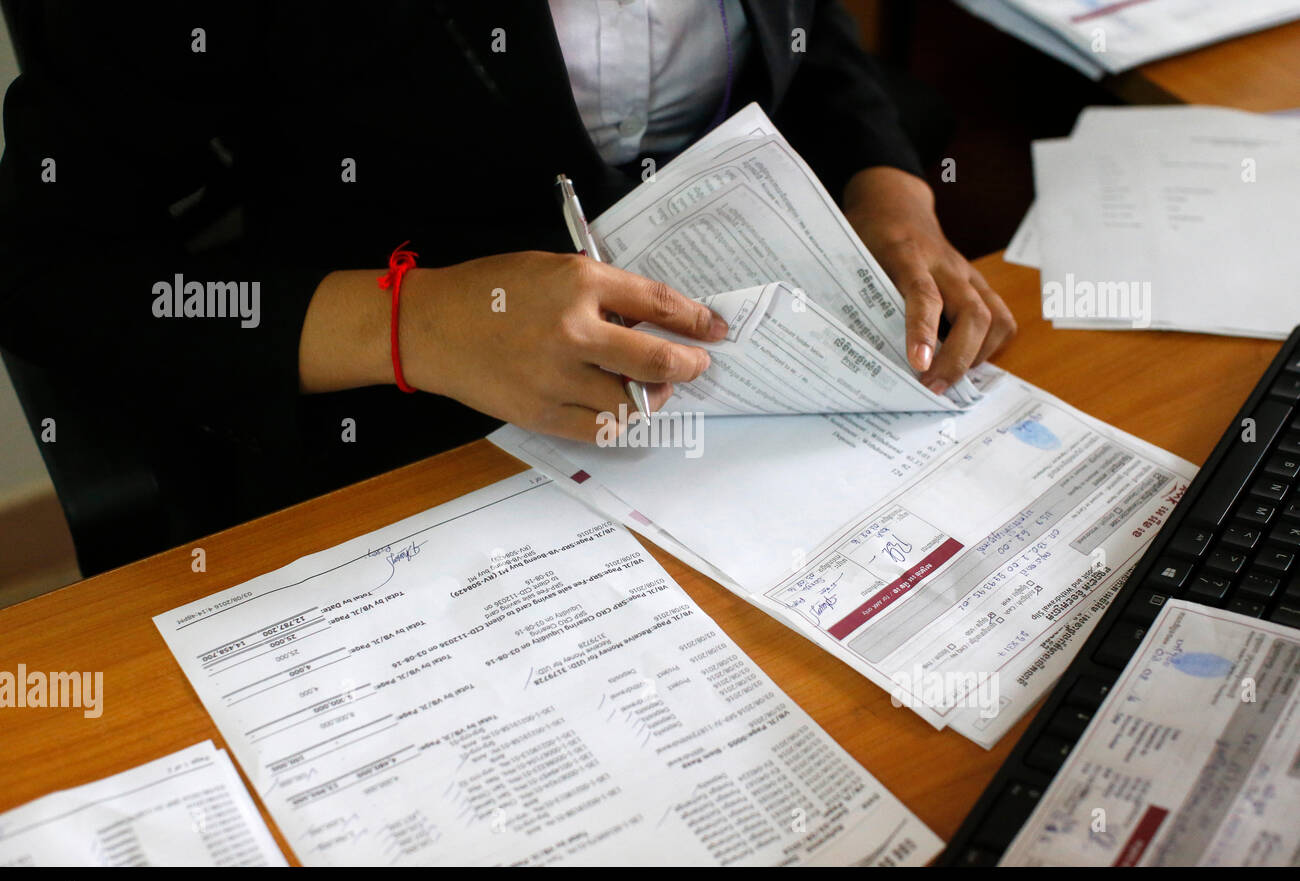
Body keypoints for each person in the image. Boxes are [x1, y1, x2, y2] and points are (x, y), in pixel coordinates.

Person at [0, 1, 1014, 557]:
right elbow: (51, 270)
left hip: (739, 404)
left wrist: (887, 186)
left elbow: (807, 27)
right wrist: (416, 321)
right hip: (408, 442)